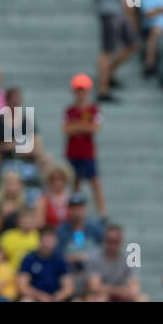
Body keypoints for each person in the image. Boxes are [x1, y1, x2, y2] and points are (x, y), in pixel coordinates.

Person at [63, 74, 105, 217]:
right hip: (73, 152)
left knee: (95, 183)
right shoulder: (70, 110)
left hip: (87, 153)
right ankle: (74, 213)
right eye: (78, 90)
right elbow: (66, 129)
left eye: (83, 90)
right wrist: (84, 126)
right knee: (75, 184)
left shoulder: (93, 109)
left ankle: (102, 212)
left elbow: (95, 128)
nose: (80, 93)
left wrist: (77, 126)